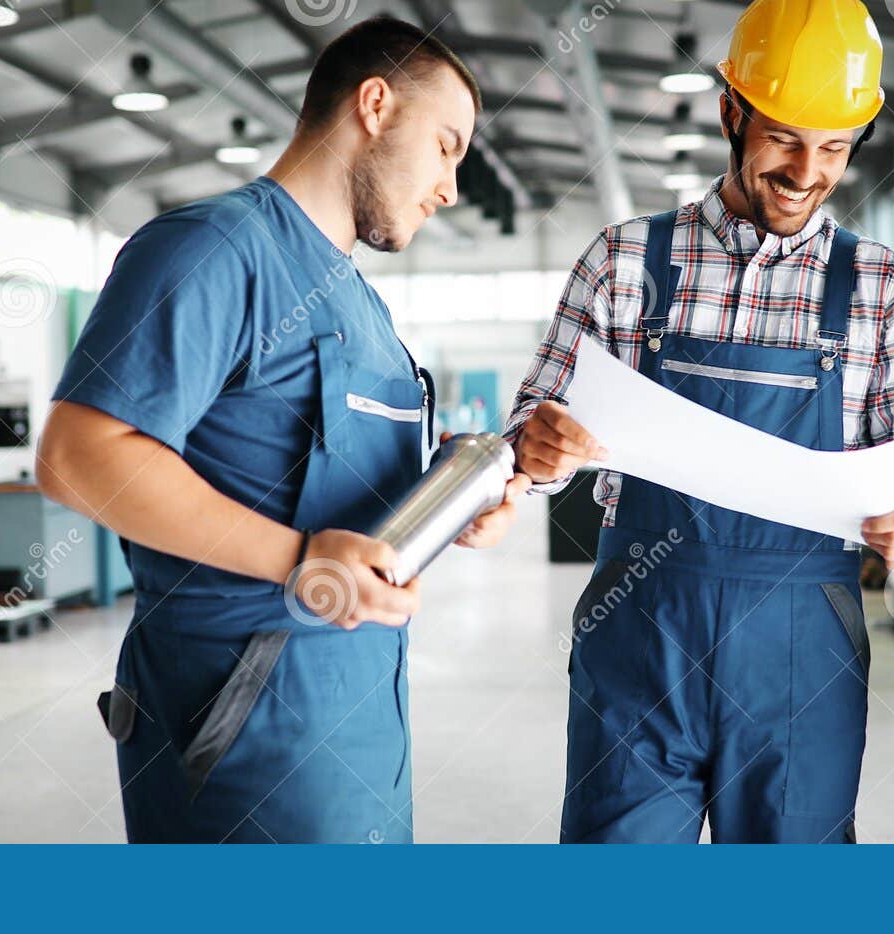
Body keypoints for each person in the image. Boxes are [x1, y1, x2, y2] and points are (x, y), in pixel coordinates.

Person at [36, 16, 527, 844]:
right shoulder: (215, 250)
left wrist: (455, 494)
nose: (450, 186)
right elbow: (77, 457)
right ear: (374, 105)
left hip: (357, 716)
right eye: (446, 146)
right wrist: (298, 561)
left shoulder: (358, 300)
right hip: (242, 733)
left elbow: (335, 485)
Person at [505, 0, 894, 843]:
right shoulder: (622, 260)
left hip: (801, 657)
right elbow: (527, 430)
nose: (806, 171)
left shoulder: (881, 286)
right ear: (731, 111)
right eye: (785, 138)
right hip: (640, 634)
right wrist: (535, 447)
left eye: (833, 148)